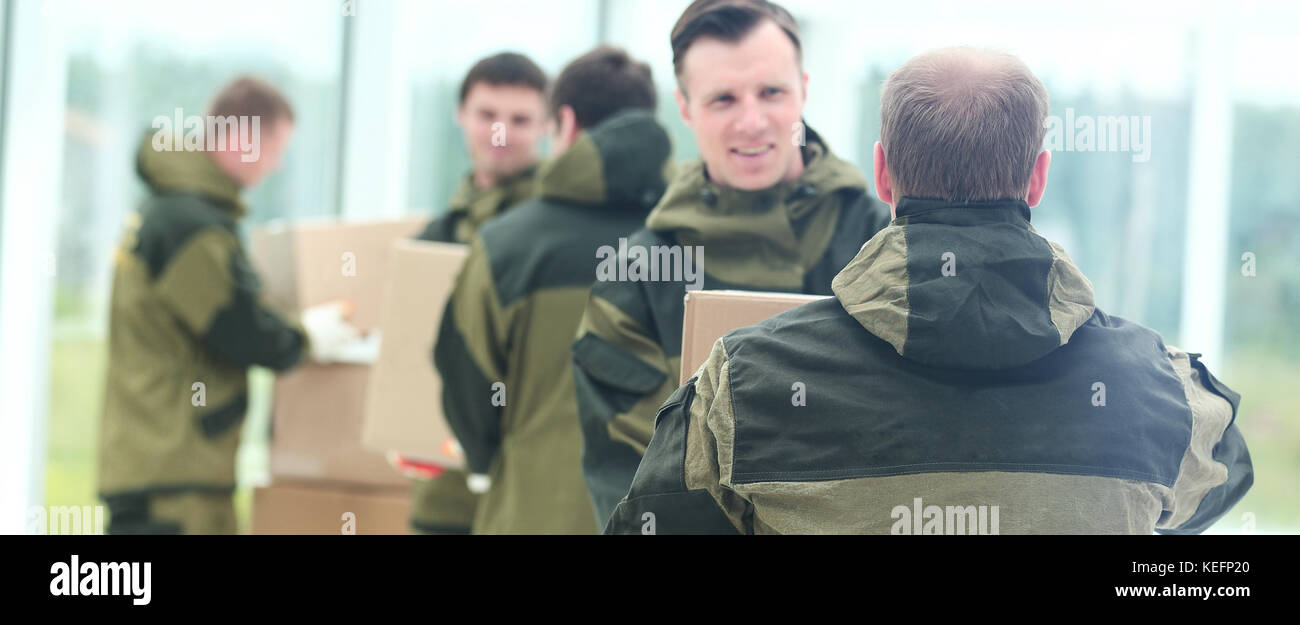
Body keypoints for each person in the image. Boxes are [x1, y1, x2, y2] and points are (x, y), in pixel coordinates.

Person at [606, 47, 1254, 534]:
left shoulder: (743, 382)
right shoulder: (1156, 390)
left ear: (883, 173)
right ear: (1038, 180)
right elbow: (1218, 473)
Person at [571, 0, 891, 529]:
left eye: (771, 92)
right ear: (686, 107)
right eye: (723, 99)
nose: (752, 122)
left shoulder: (878, 242)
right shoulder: (641, 274)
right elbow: (631, 481)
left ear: (804, 89)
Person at [98, 77, 364, 534]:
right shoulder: (189, 226)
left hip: (161, 468)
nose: (276, 165)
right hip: (174, 479)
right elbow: (239, 329)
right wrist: (305, 337)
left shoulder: (172, 212)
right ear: (242, 139)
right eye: (276, 148)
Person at [433, 47, 670, 534]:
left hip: (530, 512)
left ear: (563, 122)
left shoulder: (505, 245)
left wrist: (488, 458)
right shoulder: (694, 243)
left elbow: (466, 381)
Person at [406, 52, 550, 535]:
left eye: (520, 119)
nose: (500, 132)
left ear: (549, 125)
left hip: (532, 496)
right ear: (460, 115)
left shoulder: (561, 239)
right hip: (444, 496)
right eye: (487, 115)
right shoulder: (434, 237)